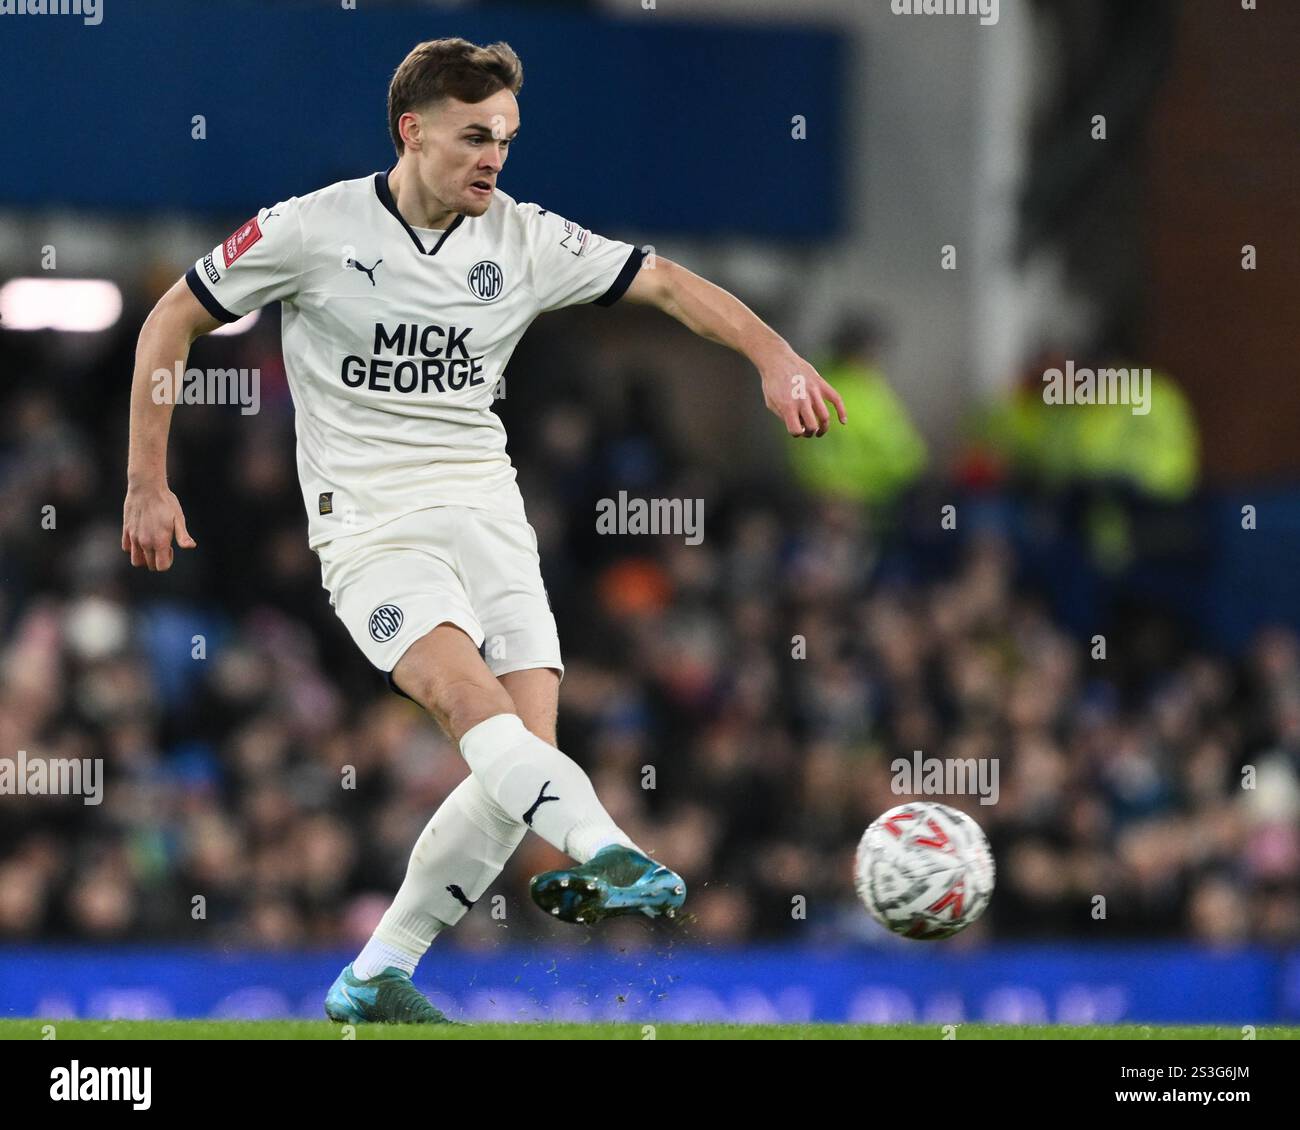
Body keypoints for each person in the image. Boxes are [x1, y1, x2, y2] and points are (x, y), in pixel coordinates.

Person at [121, 37, 845, 1024]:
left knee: (522, 756)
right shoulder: (310, 228)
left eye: (503, 137)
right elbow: (170, 318)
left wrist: (775, 355)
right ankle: (605, 849)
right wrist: (145, 483)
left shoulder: (524, 238)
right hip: (374, 528)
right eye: (473, 136)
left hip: (489, 515)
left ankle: (376, 975)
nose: (492, 156)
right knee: (471, 708)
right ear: (412, 132)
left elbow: (669, 283)